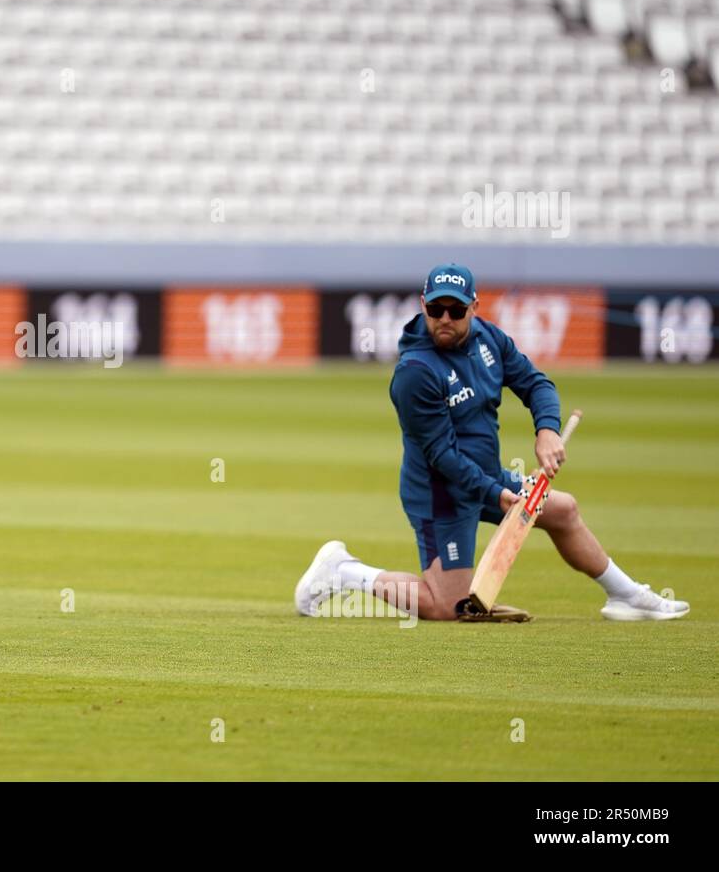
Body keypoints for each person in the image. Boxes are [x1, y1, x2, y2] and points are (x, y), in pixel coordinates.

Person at [295, 263, 688, 622]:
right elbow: (442, 456)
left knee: (564, 511)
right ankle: (346, 571)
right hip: (440, 494)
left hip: (485, 477)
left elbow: (535, 383)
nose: (444, 319)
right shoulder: (415, 373)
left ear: (474, 307)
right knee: (445, 607)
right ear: (423, 305)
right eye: (435, 310)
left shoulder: (489, 339)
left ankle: (626, 597)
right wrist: (497, 493)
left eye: (455, 310)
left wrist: (547, 429)